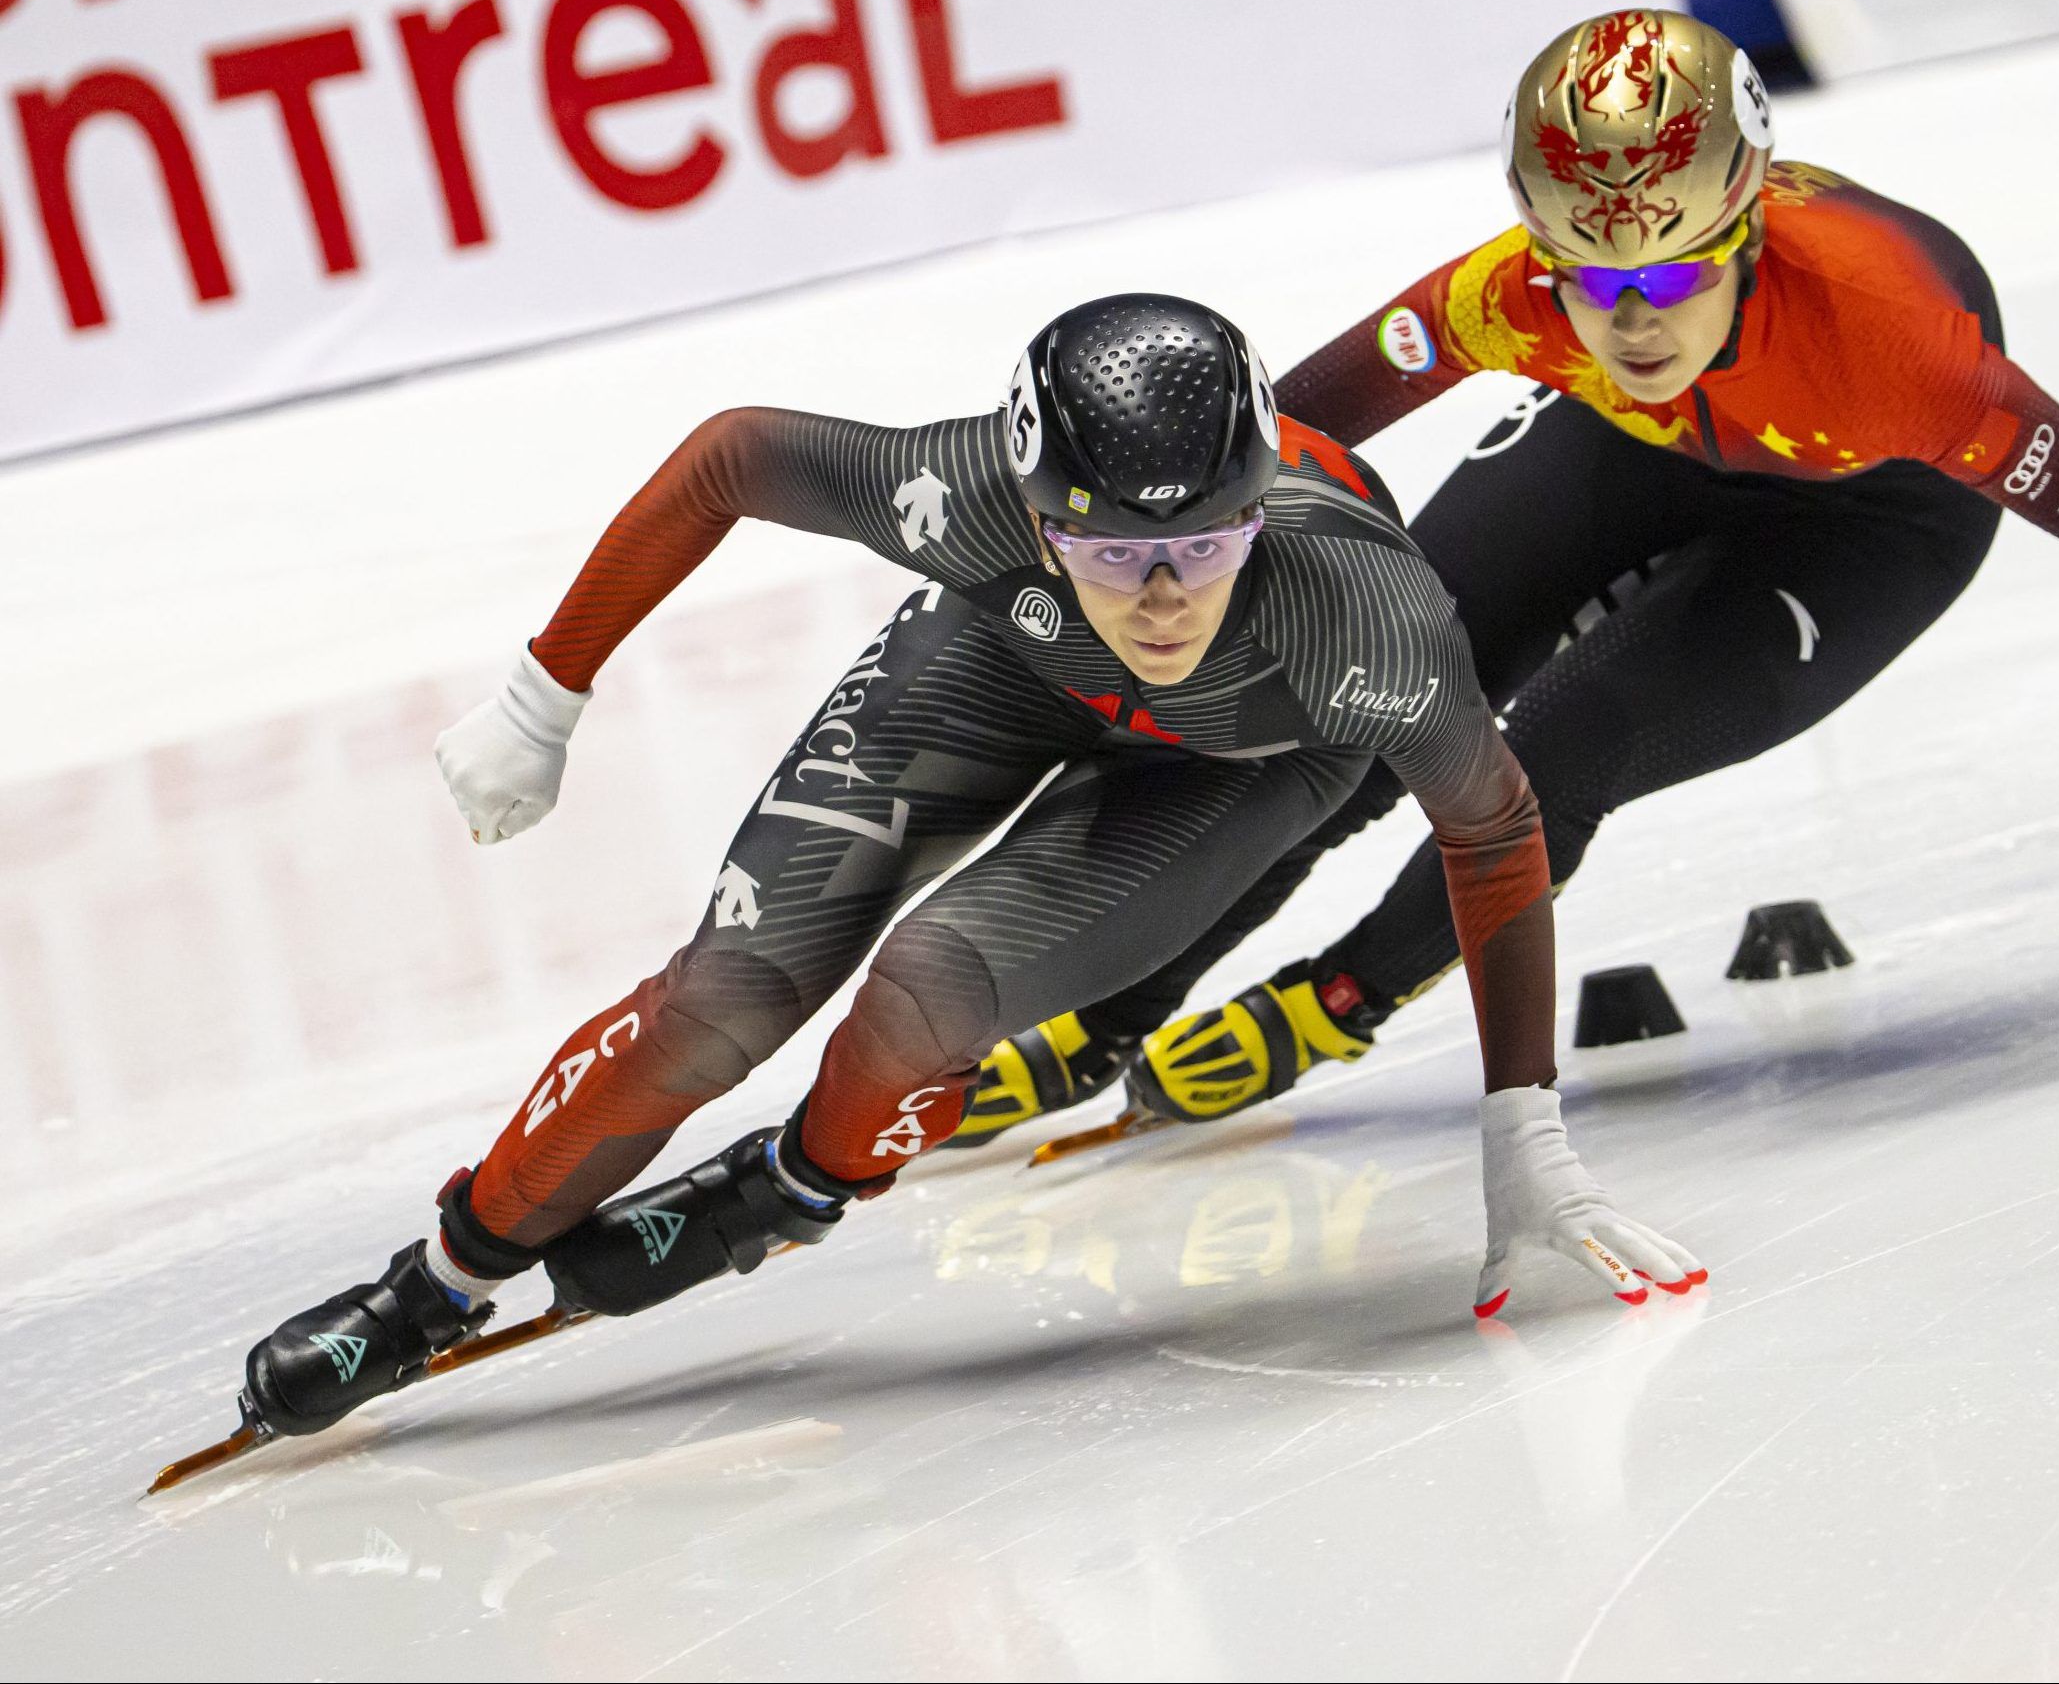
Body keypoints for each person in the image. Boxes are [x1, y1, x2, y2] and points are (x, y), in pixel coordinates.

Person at [233, 294, 1704, 1446]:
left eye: (1206, 543)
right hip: (998, 662)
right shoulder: (964, 490)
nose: (1170, 596)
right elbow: (734, 454)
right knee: (718, 1005)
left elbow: (1495, 832)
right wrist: (544, 694)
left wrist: (1527, 1135)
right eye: (1117, 554)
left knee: (928, 997)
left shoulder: (1362, 618)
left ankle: (792, 1188)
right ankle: (433, 1288)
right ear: (1032, 499)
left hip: (1249, 755)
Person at [954, 9, 2059, 1149]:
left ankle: (1341, 998)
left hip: (1865, 521)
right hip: (1635, 450)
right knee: (1358, 693)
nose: (1627, 317)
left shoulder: (1896, 347)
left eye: (1668, 278)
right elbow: (1282, 439)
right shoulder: (1526, 298)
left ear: (1749, 232)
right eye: (1588, 278)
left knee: (1559, 748)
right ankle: (1111, 1009)